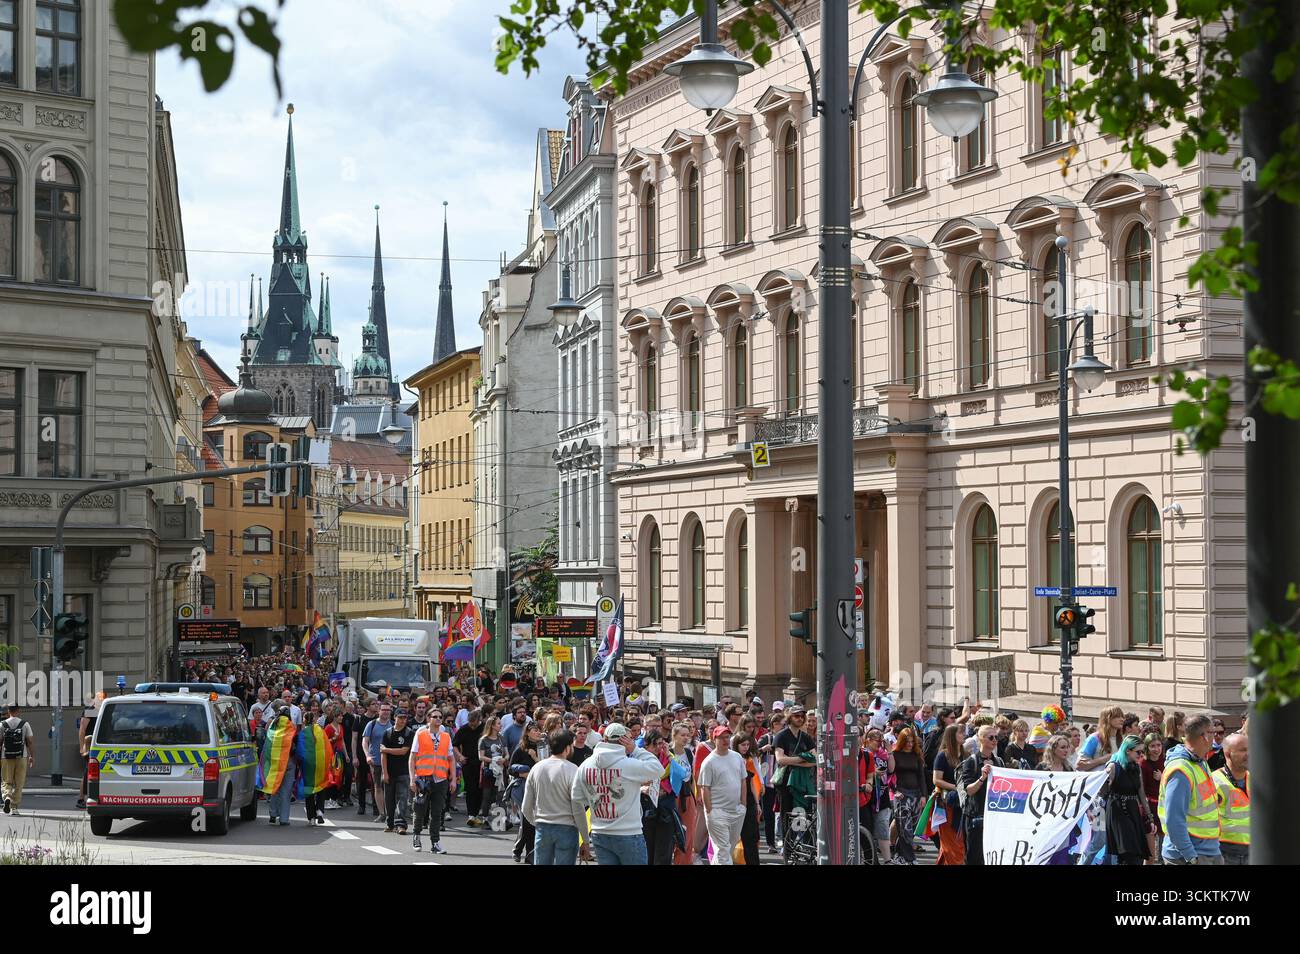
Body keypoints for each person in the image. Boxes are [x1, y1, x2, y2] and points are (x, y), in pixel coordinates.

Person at [570, 722, 665, 865]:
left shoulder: (586, 765)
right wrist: (635, 749)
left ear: (605, 739)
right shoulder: (628, 765)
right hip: (628, 832)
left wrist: (597, 795)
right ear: (625, 741)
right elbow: (658, 769)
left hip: (600, 832)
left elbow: (577, 798)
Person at [1157, 714, 1222, 865]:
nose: (1216, 737)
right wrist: (1191, 857)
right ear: (1204, 736)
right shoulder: (1180, 771)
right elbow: (1174, 820)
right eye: (1213, 732)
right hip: (1189, 855)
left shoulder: (1200, 762)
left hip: (1208, 851)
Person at [523, 729, 588, 865]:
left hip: (543, 827)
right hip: (567, 828)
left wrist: (537, 822)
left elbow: (526, 806)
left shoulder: (537, 768)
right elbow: (578, 808)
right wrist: (585, 839)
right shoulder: (572, 769)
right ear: (567, 748)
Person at [697, 725, 748, 865]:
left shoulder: (737, 757)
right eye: (721, 737)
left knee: (727, 850)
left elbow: (743, 781)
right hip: (717, 812)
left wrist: (743, 806)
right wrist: (710, 811)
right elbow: (704, 788)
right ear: (714, 739)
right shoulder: (709, 762)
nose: (725, 740)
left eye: (727, 737)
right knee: (723, 850)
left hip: (736, 811)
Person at [409, 709, 455, 854]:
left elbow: (451, 758)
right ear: (428, 719)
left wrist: (453, 779)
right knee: (420, 809)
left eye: (440, 717)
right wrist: (412, 778)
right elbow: (412, 757)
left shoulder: (446, 736)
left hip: (441, 779)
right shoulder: (420, 734)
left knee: (437, 813)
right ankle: (416, 836)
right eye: (435, 717)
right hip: (424, 778)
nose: (438, 719)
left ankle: (435, 842)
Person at [957, 724, 1003, 866]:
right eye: (991, 737)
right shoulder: (971, 761)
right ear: (981, 739)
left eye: (996, 737)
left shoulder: (999, 761)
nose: (994, 740)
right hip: (975, 815)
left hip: (994, 816)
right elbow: (969, 790)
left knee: (992, 856)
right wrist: (982, 777)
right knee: (974, 856)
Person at [773, 705, 815, 856]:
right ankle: (787, 847)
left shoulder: (806, 738)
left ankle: (802, 845)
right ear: (790, 717)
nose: (800, 718)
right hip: (785, 783)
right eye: (796, 716)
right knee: (787, 814)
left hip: (803, 782)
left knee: (802, 814)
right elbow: (780, 759)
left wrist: (795, 760)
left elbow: (815, 760)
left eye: (802, 716)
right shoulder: (781, 736)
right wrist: (801, 759)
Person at [1105, 735, 1154, 865]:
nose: (1141, 755)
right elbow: (1102, 791)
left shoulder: (1136, 767)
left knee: (1137, 853)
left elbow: (1141, 794)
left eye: (1143, 752)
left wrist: (1150, 817)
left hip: (1133, 811)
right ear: (1128, 750)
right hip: (1117, 811)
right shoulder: (1113, 767)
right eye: (1138, 752)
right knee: (1128, 853)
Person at [1211, 733, 1249, 865]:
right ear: (1227, 753)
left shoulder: (1256, 779)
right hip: (1224, 851)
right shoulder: (1213, 781)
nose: (1249, 754)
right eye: (1243, 750)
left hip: (1254, 849)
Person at [508, 721, 543, 863]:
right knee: (527, 821)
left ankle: (523, 852)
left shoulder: (542, 747)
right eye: (534, 730)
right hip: (522, 787)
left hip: (538, 787)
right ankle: (524, 852)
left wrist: (535, 757)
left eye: (538, 730)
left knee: (532, 822)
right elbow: (510, 768)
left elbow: (544, 766)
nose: (537, 732)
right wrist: (522, 774)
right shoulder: (520, 748)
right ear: (527, 732)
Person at [258, 706, 300, 826]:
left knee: (275, 787)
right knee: (286, 792)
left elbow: (267, 745)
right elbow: (296, 743)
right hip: (289, 762)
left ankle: (272, 814)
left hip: (275, 762)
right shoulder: (292, 727)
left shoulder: (272, 726)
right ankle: (284, 819)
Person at [931, 723, 966, 865]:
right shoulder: (942, 756)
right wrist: (957, 787)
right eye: (961, 733)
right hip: (945, 804)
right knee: (952, 843)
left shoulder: (966, 755)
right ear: (952, 736)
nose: (964, 735)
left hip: (962, 804)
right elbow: (936, 780)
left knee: (953, 843)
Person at [891, 726, 925, 864]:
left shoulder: (916, 755)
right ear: (901, 741)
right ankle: (910, 858)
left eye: (912, 741)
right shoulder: (895, 755)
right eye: (907, 741)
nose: (910, 744)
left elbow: (921, 777)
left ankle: (899, 855)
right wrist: (894, 791)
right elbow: (889, 777)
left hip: (916, 794)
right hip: (902, 794)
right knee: (905, 828)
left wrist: (924, 796)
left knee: (911, 827)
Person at [380, 709, 414, 834]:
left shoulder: (409, 733)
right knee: (389, 799)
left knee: (402, 798)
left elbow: (403, 751)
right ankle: (390, 824)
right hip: (390, 771)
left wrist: (387, 749)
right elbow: (382, 755)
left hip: (403, 771)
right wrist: (385, 772)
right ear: (394, 717)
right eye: (400, 717)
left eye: (405, 718)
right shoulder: (387, 733)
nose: (403, 720)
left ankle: (401, 825)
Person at [733, 732, 764, 865]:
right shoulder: (731, 758)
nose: (745, 747)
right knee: (731, 839)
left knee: (751, 838)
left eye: (747, 745)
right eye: (743, 745)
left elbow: (751, 782)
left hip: (750, 801)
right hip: (733, 800)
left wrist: (757, 804)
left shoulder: (749, 760)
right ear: (736, 745)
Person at [1, 704, 35, 816]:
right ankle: (14, 807)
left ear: (8, 711)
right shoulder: (25, 724)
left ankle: (7, 797)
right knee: (19, 783)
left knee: (7, 781)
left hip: (6, 757)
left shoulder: (2, 724)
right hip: (21, 757)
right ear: (19, 710)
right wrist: (31, 756)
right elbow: (29, 741)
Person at [477, 714, 509, 829]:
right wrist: (493, 760)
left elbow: (507, 753)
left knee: (500, 795)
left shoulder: (501, 738)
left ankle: (502, 820)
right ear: (492, 726)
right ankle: (484, 818)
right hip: (488, 770)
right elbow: (481, 757)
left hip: (500, 771)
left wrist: (504, 759)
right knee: (487, 795)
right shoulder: (483, 740)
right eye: (499, 724)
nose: (501, 725)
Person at [453, 707, 484, 824]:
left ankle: (478, 811)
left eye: (474, 723)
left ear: (479, 720)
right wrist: (459, 756)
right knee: (470, 789)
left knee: (480, 788)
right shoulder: (464, 729)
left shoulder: (484, 728)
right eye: (470, 723)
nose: (472, 726)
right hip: (468, 762)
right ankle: (471, 814)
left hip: (481, 763)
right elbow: (455, 745)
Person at [360, 702, 390, 820]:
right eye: (384, 710)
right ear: (379, 710)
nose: (386, 712)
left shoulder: (393, 725)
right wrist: (367, 755)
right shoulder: (371, 724)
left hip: (389, 762)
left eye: (388, 710)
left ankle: (389, 813)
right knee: (378, 787)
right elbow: (364, 742)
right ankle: (382, 813)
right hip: (375, 761)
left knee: (389, 787)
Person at [76, 694, 102, 810]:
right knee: (87, 772)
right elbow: (82, 730)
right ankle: (81, 799)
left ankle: (86, 797)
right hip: (89, 744)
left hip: (94, 745)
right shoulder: (90, 710)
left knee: (90, 772)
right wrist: (82, 748)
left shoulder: (98, 710)